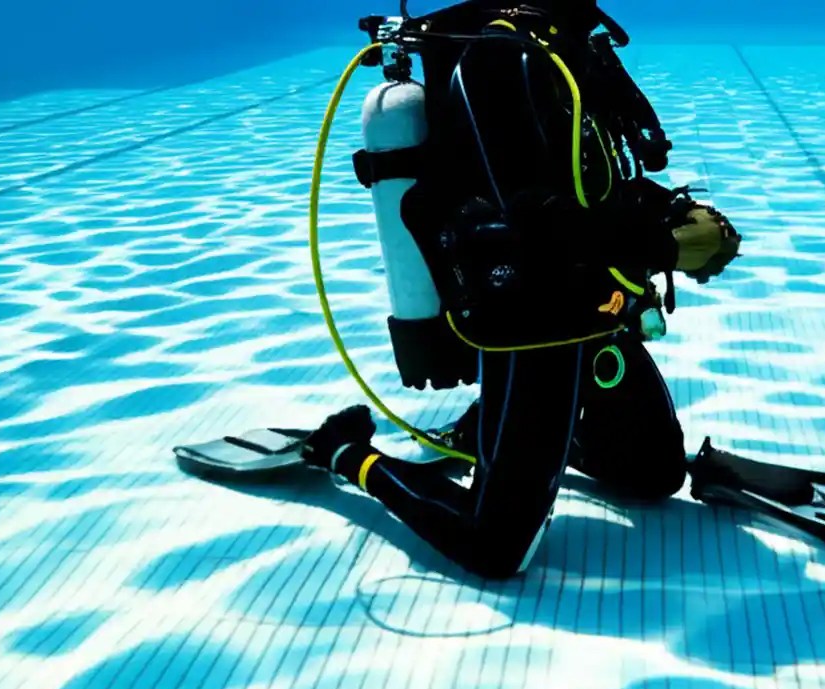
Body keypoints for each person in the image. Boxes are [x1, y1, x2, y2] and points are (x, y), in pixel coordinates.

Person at [298, 0, 742, 579]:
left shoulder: (569, 50)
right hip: (530, 320)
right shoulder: (497, 59)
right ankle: (343, 450)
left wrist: (677, 212)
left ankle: (499, 432)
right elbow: (531, 216)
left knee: (654, 475)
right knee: (496, 547)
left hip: (594, 302)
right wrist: (662, 244)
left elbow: (600, 184)